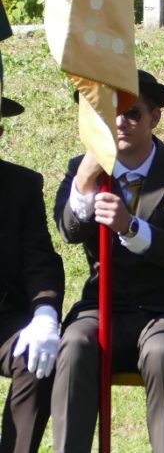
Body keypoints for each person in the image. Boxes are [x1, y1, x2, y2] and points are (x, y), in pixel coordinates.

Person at [51, 70, 164, 453]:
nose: (120, 124)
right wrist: (84, 185)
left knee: (162, 354)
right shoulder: (84, 168)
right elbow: (68, 230)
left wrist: (129, 227)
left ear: (155, 117)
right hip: (103, 306)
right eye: (110, 115)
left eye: (132, 114)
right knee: (74, 344)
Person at [0, 94, 66, 453]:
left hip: (4, 317)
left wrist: (44, 315)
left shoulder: (20, 186)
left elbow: (39, 258)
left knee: (35, 357)